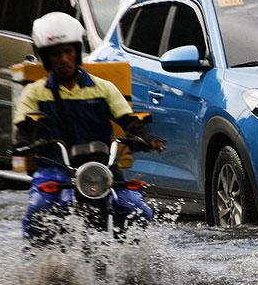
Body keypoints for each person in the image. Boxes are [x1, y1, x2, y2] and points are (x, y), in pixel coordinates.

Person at [14, 12, 164, 243]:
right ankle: (36, 263)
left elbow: (129, 122)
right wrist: (23, 143)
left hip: (100, 168)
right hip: (55, 169)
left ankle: (132, 257)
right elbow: (24, 126)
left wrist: (147, 139)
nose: (63, 59)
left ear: (77, 51)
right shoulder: (34, 92)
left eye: (68, 52)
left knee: (138, 210)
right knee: (39, 209)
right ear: (45, 57)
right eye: (56, 54)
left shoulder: (104, 88)